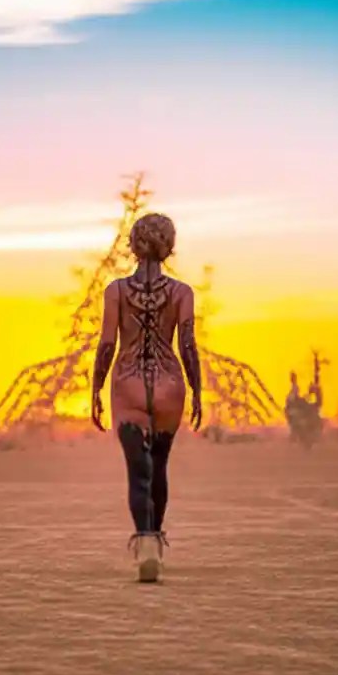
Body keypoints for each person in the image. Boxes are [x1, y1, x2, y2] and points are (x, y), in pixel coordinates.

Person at [91, 213, 202, 583]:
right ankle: (155, 538)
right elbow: (187, 344)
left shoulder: (116, 291)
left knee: (138, 472)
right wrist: (197, 389)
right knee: (160, 465)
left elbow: (108, 344)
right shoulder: (182, 293)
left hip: (128, 382)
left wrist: (96, 387)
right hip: (169, 383)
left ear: (134, 245)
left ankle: (146, 544)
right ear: (169, 247)